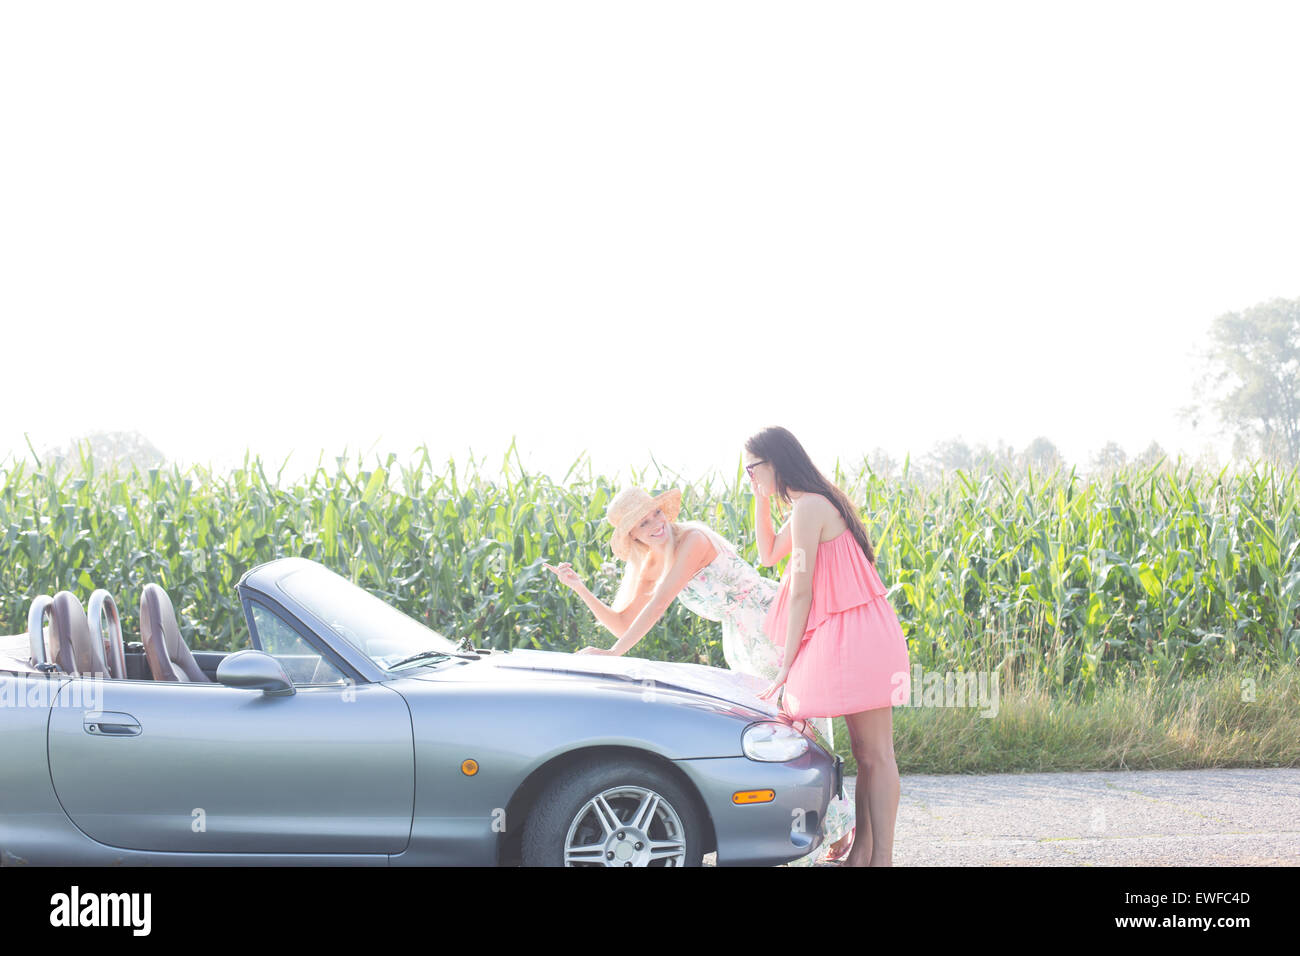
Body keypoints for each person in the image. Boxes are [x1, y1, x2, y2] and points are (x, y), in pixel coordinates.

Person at [544, 484, 856, 866]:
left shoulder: (693, 539)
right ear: (634, 535)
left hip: (769, 618)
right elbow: (622, 621)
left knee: (802, 724)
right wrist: (580, 590)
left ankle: (837, 826)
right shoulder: (651, 564)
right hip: (741, 637)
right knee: (776, 732)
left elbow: (658, 605)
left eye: (655, 513)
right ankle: (812, 829)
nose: (655, 524)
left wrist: (613, 654)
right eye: (643, 523)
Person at [746, 425, 911, 867]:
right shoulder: (807, 505)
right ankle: (863, 855)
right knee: (866, 755)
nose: (750, 477)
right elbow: (767, 554)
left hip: (859, 634)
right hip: (855, 633)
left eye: (754, 469)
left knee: (877, 753)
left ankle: (883, 859)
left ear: (775, 462)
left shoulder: (811, 507)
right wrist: (760, 497)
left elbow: (800, 590)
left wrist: (786, 663)